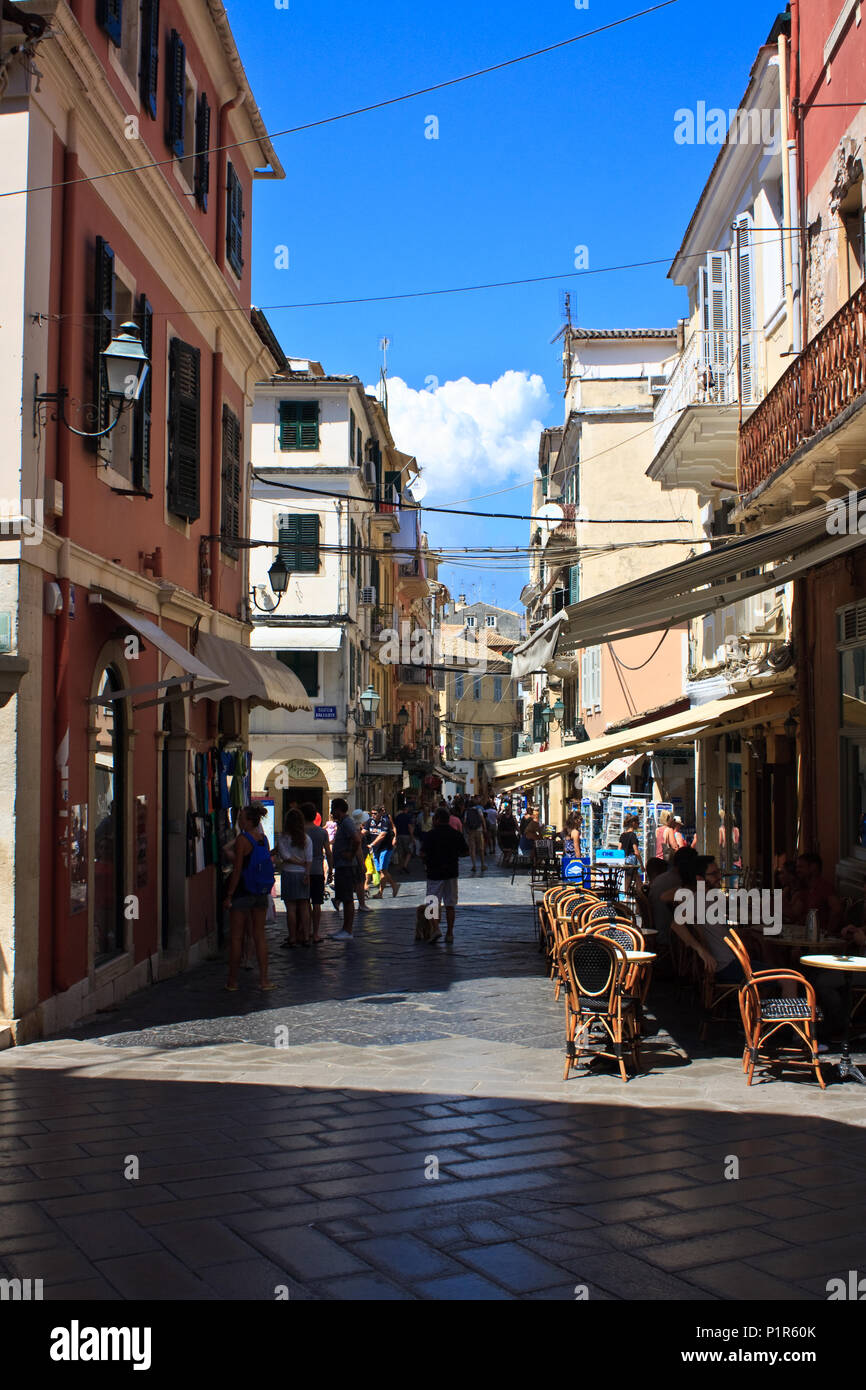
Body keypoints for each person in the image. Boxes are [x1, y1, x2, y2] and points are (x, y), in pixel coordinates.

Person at [224, 804, 276, 991]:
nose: (238, 820)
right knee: (259, 936)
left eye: (241, 817)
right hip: (260, 892)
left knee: (237, 938)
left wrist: (229, 895)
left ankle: (232, 981)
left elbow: (237, 870)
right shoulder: (263, 839)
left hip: (243, 892)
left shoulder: (242, 840)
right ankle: (264, 980)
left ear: (248, 820)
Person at [421, 807, 470, 942]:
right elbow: (466, 852)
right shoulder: (456, 834)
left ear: (436, 820)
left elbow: (423, 853)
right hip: (451, 872)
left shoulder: (430, 835)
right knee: (450, 904)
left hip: (434, 873)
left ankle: (435, 928)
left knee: (431, 903)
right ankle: (450, 933)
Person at [276, 807, 312, 947]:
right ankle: (306, 936)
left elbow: (285, 856)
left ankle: (292, 937)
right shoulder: (306, 838)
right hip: (302, 874)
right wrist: (306, 871)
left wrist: (297, 862)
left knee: (290, 908)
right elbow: (309, 859)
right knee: (304, 906)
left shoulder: (284, 838)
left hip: (289, 873)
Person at [329, 799, 362, 940]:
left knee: (347, 898)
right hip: (342, 866)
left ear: (338, 809)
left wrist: (351, 854)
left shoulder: (347, 823)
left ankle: (348, 930)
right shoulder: (343, 823)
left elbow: (356, 839)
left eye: (333, 809)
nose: (331, 812)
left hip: (346, 866)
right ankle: (345, 928)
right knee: (344, 897)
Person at [302, 801, 332, 943]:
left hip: (302, 870)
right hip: (318, 870)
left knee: (304, 902)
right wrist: (331, 869)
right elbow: (328, 852)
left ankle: (305, 932)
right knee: (317, 903)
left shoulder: (299, 831)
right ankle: (315, 933)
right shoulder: (322, 832)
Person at [369, 806, 400, 898]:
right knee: (381, 871)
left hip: (385, 846)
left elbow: (393, 827)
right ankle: (394, 885)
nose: (383, 810)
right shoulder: (372, 820)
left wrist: (395, 837)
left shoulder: (387, 817)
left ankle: (381, 892)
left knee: (383, 870)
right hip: (377, 848)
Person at [619, 813, 643, 890]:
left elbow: (619, 849)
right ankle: (641, 897)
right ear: (633, 823)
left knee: (633, 879)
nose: (638, 825)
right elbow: (636, 851)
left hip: (624, 860)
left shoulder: (622, 835)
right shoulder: (632, 835)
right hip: (631, 861)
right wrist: (641, 864)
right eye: (638, 823)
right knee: (631, 881)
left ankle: (641, 896)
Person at [463, 797, 486, 873]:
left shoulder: (467, 811)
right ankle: (482, 865)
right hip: (479, 830)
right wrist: (484, 828)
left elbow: (465, 822)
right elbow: (482, 819)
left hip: (471, 831)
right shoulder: (478, 810)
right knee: (481, 848)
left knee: (472, 849)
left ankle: (474, 866)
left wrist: (466, 830)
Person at [394, 805, 416, 872]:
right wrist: (412, 837)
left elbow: (395, 826)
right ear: (406, 810)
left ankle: (401, 866)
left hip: (399, 835)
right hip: (406, 836)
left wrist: (395, 836)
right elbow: (410, 827)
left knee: (400, 852)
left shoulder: (398, 817)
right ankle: (405, 865)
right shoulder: (408, 816)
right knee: (409, 852)